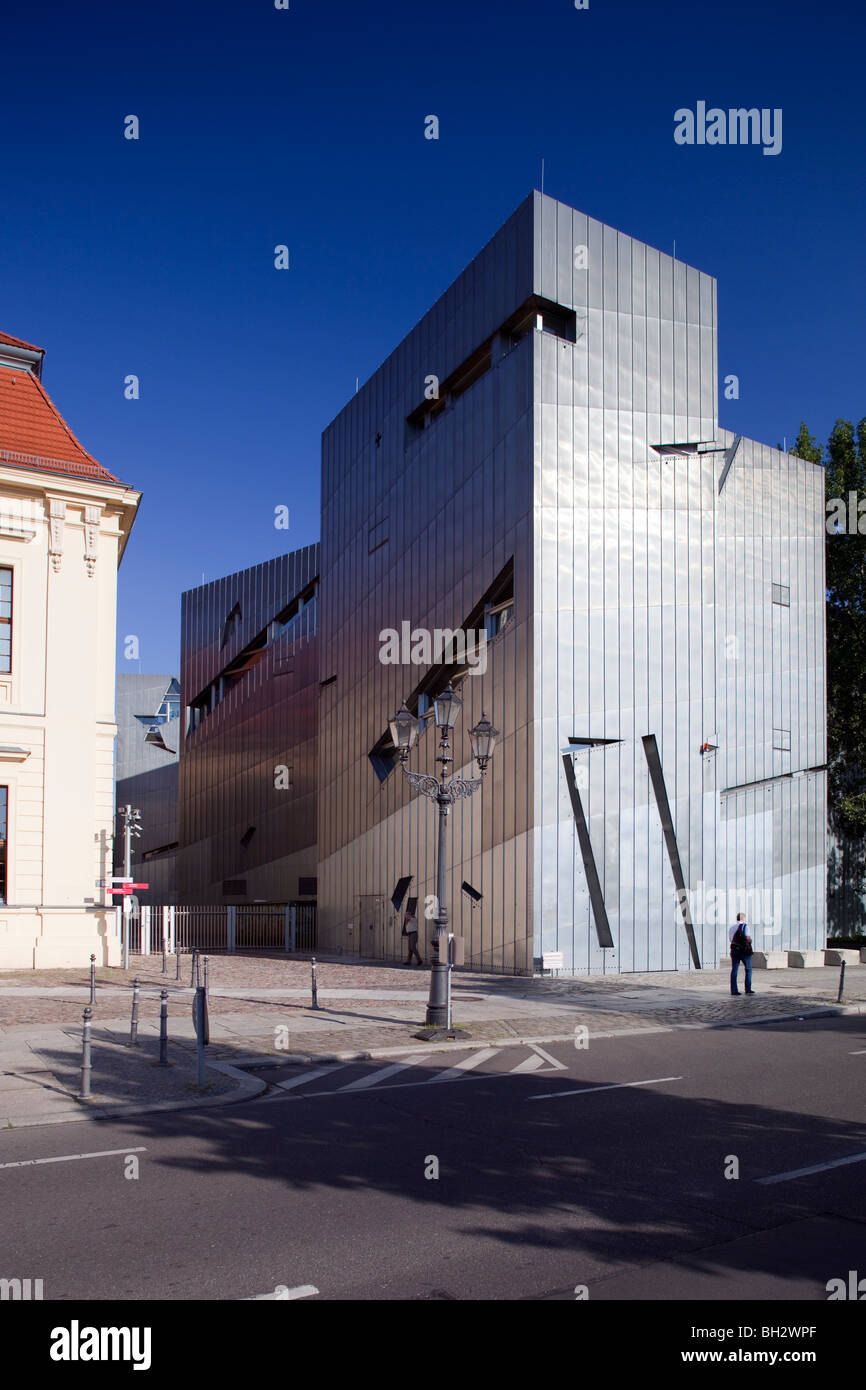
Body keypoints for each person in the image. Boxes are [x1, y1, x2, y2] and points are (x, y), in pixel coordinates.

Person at [729, 913, 755, 996]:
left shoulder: (731, 928)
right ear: (743, 919)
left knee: (734, 970)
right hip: (743, 951)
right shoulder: (745, 926)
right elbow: (747, 938)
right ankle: (748, 989)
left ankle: (734, 990)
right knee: (748, 969)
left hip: (734, 950)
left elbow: (731, 939)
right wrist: (750, 941)